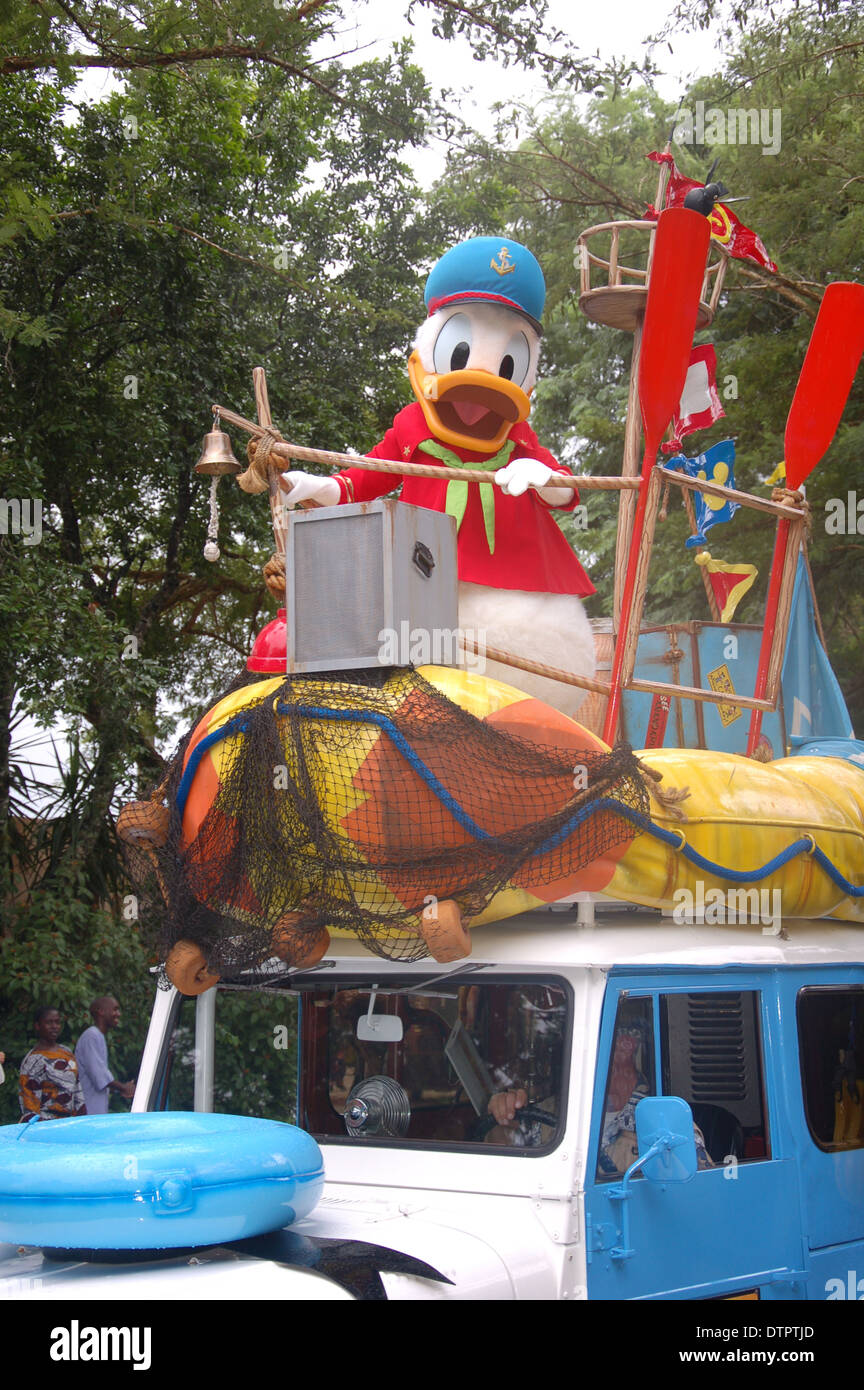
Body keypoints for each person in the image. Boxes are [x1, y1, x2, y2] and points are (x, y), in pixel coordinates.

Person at [18, 1007, 86, 1120]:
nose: (54, 1026)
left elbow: (78, 1089)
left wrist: (82, 1119)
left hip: (71, 1124)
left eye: (57, 1022)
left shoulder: (67, 1053)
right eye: (49, 1023)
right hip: (47, 1126)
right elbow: (30, 1106)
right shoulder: (33, 1061)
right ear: (37, 1026)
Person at [75, 996, 135, 1114]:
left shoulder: (98, 1036)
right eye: (115, 1009)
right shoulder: (91, 1036)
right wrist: (124, 1088)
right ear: (101, 1011)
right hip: (88, 1112)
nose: (118, 1014)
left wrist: (120, 1089)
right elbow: (99, 1076)